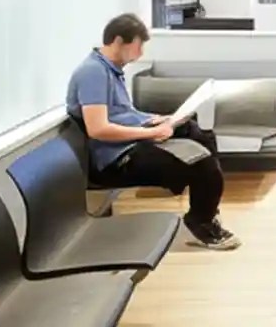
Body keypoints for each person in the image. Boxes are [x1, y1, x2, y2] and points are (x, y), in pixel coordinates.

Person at [67, 13, 240, 250]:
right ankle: (201, 222)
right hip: (116, 159)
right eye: (138, 46)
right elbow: (98, 129)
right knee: (202, 164)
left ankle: (207, 208)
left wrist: (155, 120)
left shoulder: (111, 69)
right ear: (119, 41)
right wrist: (151, 133)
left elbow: (122, 113)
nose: (140, 54)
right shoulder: (93, 73)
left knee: (198, 133)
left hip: (130, 142)